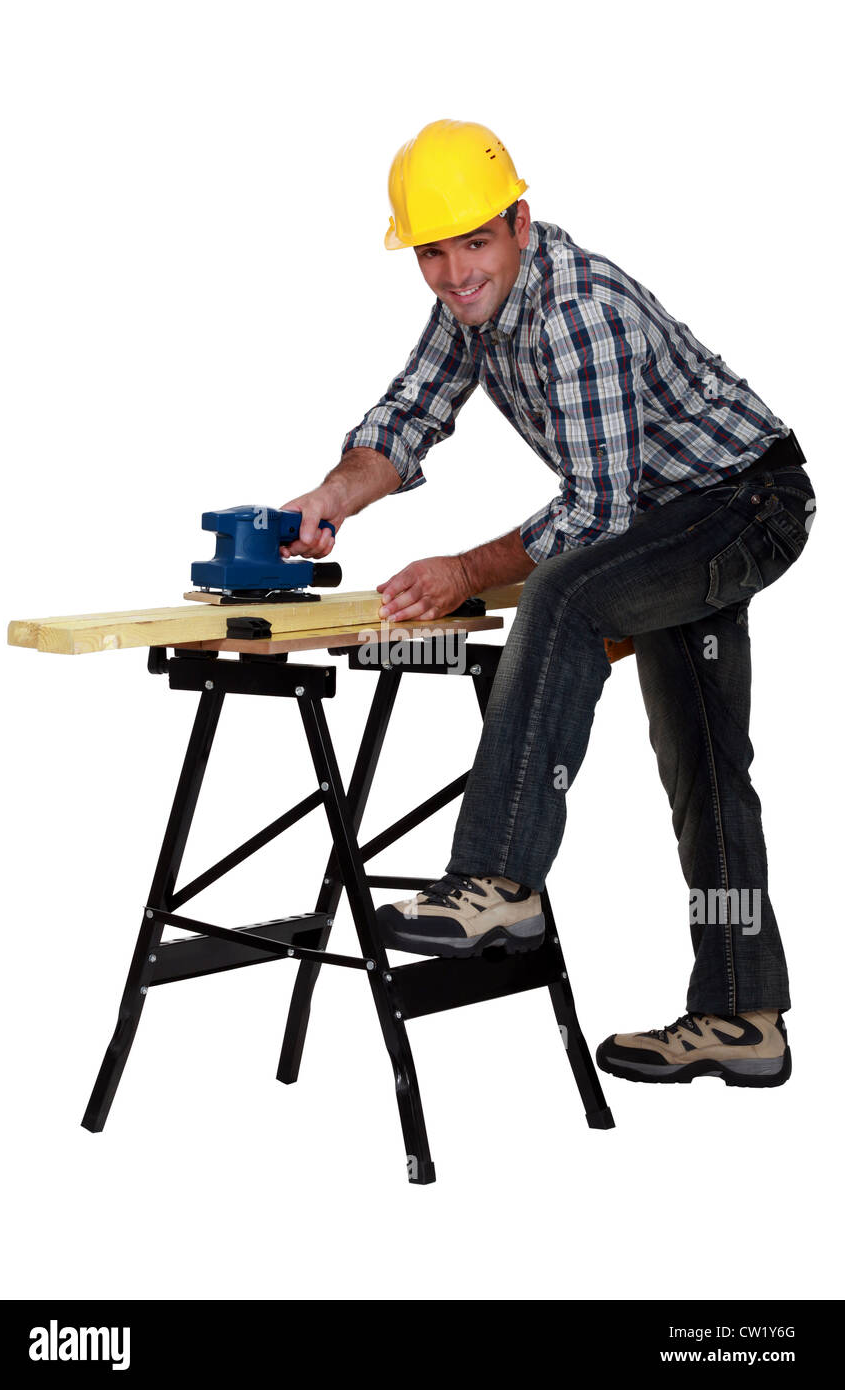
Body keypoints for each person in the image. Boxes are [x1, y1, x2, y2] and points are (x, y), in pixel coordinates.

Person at [280, 118, 817, 1089]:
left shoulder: (575, 309)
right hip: (668, 522)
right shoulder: (470, 304)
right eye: (432, 252)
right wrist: (331, 497)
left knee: (561, 595)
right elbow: (403, 419)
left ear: (518, 222)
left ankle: (496, 881)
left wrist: (462, 571)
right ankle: (743, 1014)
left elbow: (595, 512)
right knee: (701, 762)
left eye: (472, 243)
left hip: (743, 503)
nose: (451, 273)